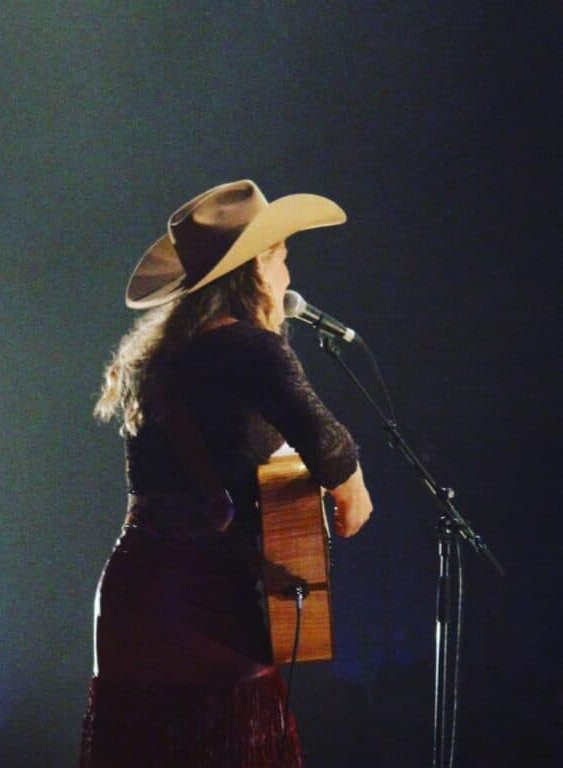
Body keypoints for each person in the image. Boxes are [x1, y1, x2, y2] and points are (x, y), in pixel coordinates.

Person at [79, 179, 372, 767]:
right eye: (283, 259)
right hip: (208, 607)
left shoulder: (156, 360)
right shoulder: (252, 350)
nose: (288, 278)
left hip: (134, 601)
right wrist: (350, 495)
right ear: (258, 267)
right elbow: (336, 463)